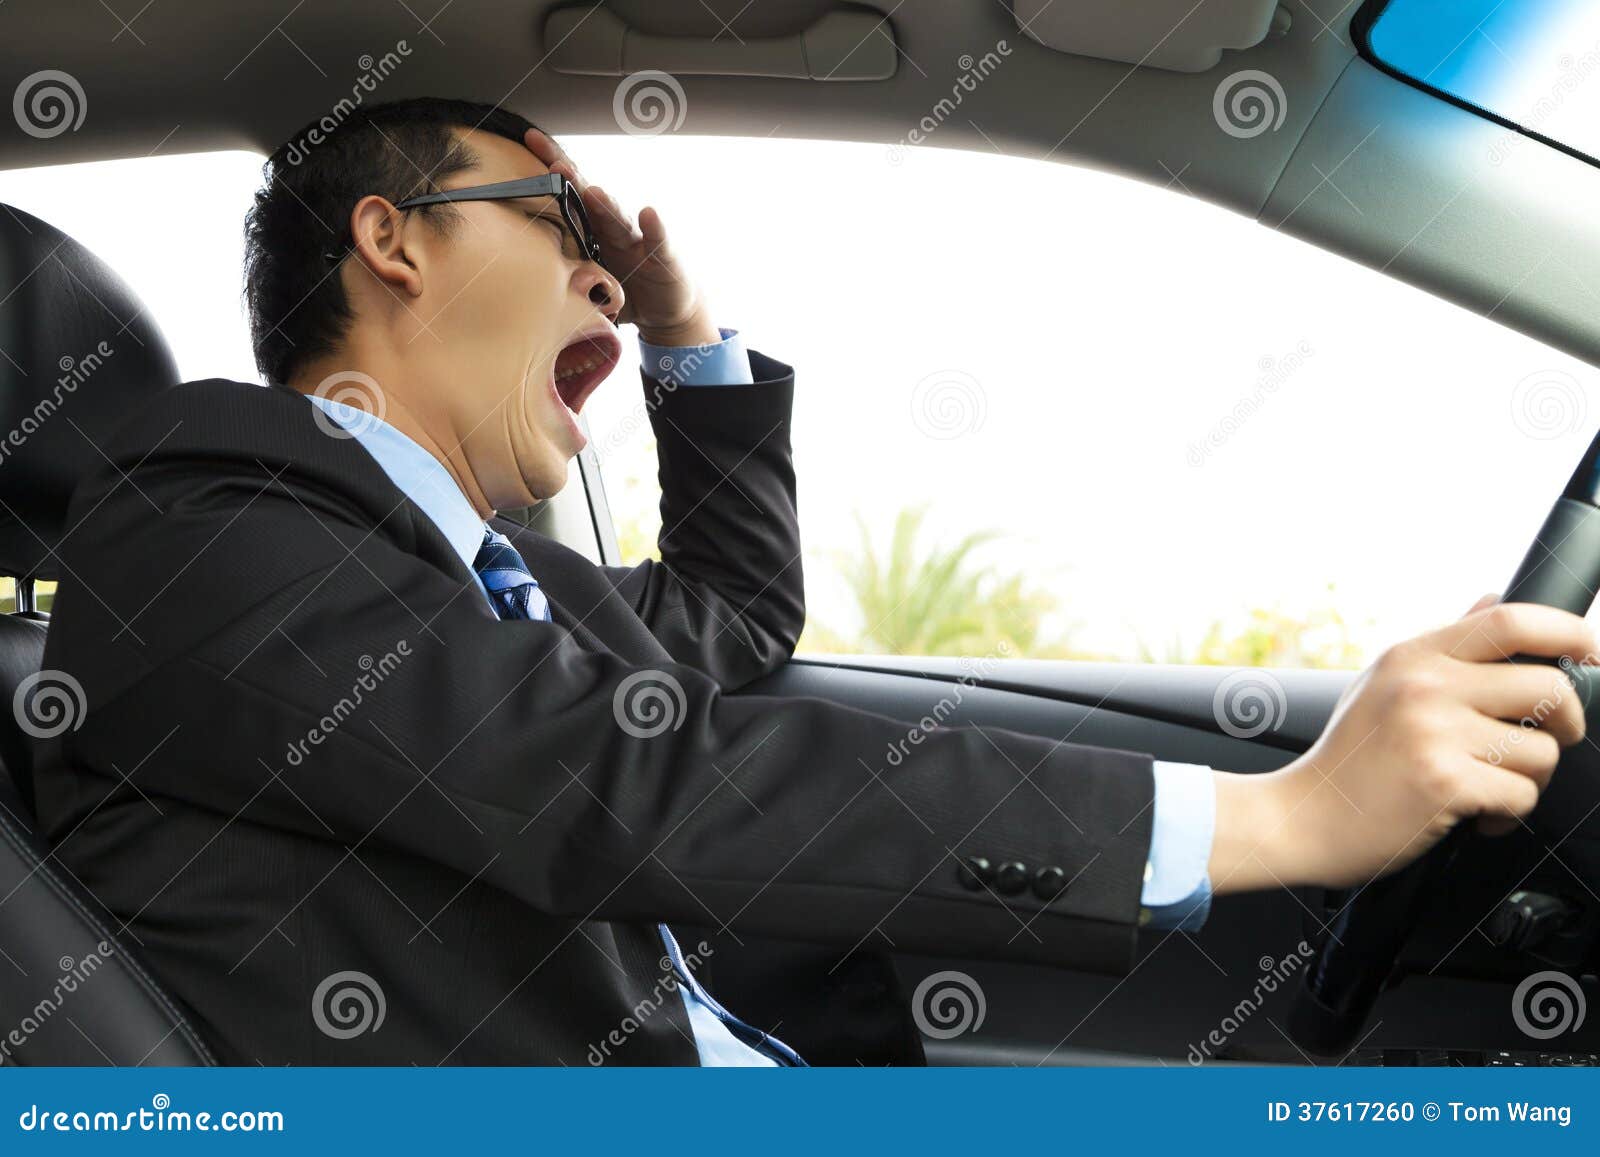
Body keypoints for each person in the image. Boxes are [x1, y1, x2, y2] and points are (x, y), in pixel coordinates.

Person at [30, 98, 1591, 1066]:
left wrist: (681, 333)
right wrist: (1278, 817)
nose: (596, 263)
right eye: (551, 216)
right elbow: (629, 776)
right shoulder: (202, 519)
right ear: (393, 242)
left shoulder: (509, 593)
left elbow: (731, 620)